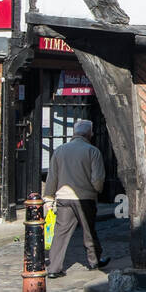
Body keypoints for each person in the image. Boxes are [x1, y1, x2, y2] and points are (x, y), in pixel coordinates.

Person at [43, 119, 109, 278]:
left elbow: (52, 177)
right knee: (89, 232)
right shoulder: (92, 151)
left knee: (61, 233)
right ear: (89, 134)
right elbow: (98, 178)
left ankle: (53, 268)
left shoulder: (60, 150)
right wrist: (96, 190)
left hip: (63, 198)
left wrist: (49, 197)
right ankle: (94, 261)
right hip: (85, 198)